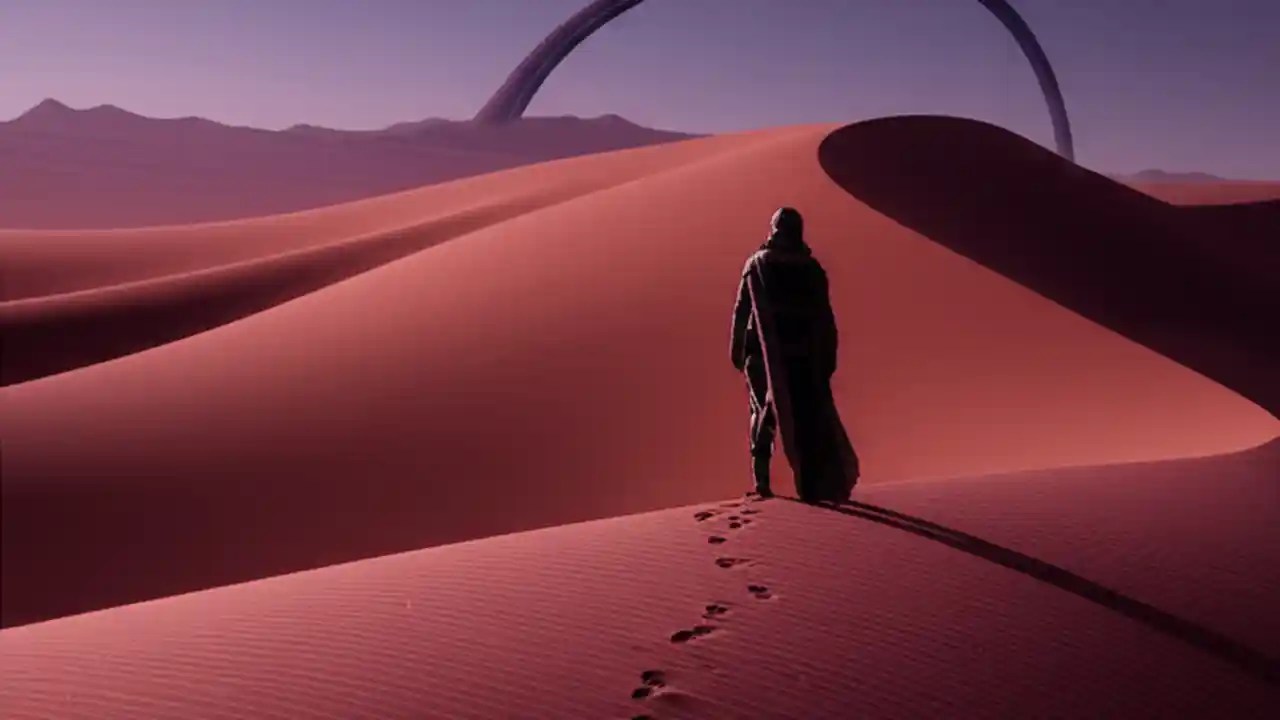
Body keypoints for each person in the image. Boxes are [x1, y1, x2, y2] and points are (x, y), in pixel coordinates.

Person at [730, 207, 859, 502]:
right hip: (801, 360)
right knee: (802, 416)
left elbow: (741, 313)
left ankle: (762, 481)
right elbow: (826, 321)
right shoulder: (811, 270)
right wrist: (827, 359)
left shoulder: (758, 264)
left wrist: (737, 353)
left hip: (766, 358)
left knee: (764, 413)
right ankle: (806, 483)